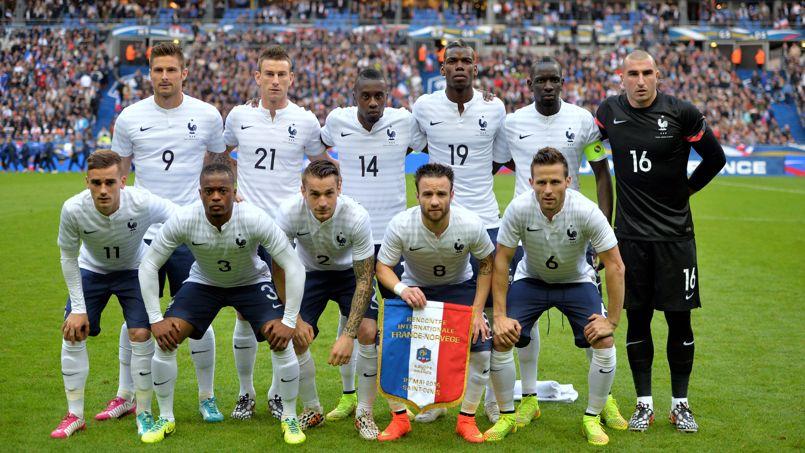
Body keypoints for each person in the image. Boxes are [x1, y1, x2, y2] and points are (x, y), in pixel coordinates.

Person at [594, 50, 726, 433]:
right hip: (630, 239)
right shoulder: (608, 112)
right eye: (632, 74)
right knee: (637, 320)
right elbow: (588, 144)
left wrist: (685, 191)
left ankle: (680, 404)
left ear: (658, 75)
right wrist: (597, 169)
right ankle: (644, 404)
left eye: (647, 73)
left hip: (674, 237)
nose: (640, 81)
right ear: (621, 77)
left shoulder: (682, 113)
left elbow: (714, 158)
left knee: (679, 321)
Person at [494, 56, 624, 428]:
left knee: (594, 325)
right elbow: (491, 165)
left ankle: (605, 399)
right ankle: (528, 398)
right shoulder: (513, 122)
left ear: (562, 82)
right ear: (530, 84)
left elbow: (602, 173)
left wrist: (604, 232)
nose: (547, 86)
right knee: (521, 326)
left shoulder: (582, 119)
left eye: (554, 80)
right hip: (526, 228)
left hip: (574, 230)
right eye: (540, 80)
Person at [137, 163, 308, 445]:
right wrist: (155, 318)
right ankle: (165, 417)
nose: (216, 196)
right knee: (166, 338)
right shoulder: (184, 219)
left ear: (234, 193)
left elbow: (294, 266)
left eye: (222, 190)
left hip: (251, 282)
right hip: (204, 283)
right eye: (209, 191)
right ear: (200, 193)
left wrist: (290, 320)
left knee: (280, 338)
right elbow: (148, 265)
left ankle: (289, 416)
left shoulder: (254, 218)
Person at [111, 42, 227, 423]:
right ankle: (124, 394)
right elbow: (119, 174)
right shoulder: (129, 117)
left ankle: (206, 397)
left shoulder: (207, 115)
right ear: (149, 74)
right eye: (157, 70)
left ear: (184, 73)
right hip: (143, 236)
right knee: (137, 318)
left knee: (198, 317)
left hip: (189, 234)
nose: (164, 76)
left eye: (171, 70)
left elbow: (218, 165)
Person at [485, 148, 626, 446]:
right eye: (541, 183)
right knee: (502, 336)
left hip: (576, 281)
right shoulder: (518, 208)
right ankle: (510, 414)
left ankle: (593, 415)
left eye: (555, 182)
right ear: (531, 182)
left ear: (568, 181)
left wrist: (611, 321)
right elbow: (501, 261)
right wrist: (498, 315)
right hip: (531, 280)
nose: (548, 190)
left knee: (602, 339)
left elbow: (615, 265)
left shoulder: (586, 210)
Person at [221, 44, 329, 421]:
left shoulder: (305, 120)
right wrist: (229, 187)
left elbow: (321, 164)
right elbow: (220, 153)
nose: (276, 81)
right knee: (244, 313)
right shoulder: (238, 117)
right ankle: (245, 392)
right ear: (257, 77)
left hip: (286, 232)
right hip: (246, 226)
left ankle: (276, 392)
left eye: (283, 74)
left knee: (285, 312)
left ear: (292, 78)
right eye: (269, 74)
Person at [320, 67, 426, 422]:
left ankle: (407, 394)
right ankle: (351, 397)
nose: (373, 102)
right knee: (354, 318)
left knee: (400, 319)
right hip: (353, 237)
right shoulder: (337, 122)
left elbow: (431, 140)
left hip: (395, 238)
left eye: (379, 95)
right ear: (354, 97)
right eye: (366, 96)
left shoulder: (405, 122)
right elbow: (314, 149)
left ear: (387, 96)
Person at [411, 39, 506, 424]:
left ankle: (491, 399)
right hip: (438, 223)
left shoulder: (494, 107)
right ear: (443, 66)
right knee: (437, 312)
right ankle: (435, 399)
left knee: (492, 313)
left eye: (467, 60)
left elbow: (500, 158)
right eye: (453, 61)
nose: (460, 66)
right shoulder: (424, 106)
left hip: (484, 220)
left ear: (476, 66)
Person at [52, 150, 178, 438]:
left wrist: (158, 252)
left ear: (123, 181)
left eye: (110, 182)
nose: (103, 190)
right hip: (91, 269)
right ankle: (74, 415)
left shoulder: (142, 201)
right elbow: (68, 258)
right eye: (96, 183)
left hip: (134, 270)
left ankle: (143, 412)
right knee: (73, 331)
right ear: (87, 182)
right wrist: (78, 308)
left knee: (141, 334)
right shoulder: (72, 209)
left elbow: (180, 215)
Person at [375, 163, 495, 443]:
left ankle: (466, 419)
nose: (434, 201)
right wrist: (402, 289)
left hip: (459, 288)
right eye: (427, 194)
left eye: (441, 193)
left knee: (481, 348)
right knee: (387, 346)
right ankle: (400, 419)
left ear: (453, 194)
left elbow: (487, 263)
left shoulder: (470, 223)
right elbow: (383, 267)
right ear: (416, 195)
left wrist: (477, 312)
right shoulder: (402, 224)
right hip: (416, 291)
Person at [274, 160, 379, 439]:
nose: (322, 202)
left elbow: (365, 280)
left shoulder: (356, 216)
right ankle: (312, 408)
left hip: (349, 275)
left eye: (329, 193)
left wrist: (348, 334)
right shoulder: (288, 213)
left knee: (368, 331)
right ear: (303, 191)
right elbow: (279, 269)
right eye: (315, 194)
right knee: (293, 335)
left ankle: (365, 413)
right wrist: (293, 319)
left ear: (339, 188)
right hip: (308, 273)